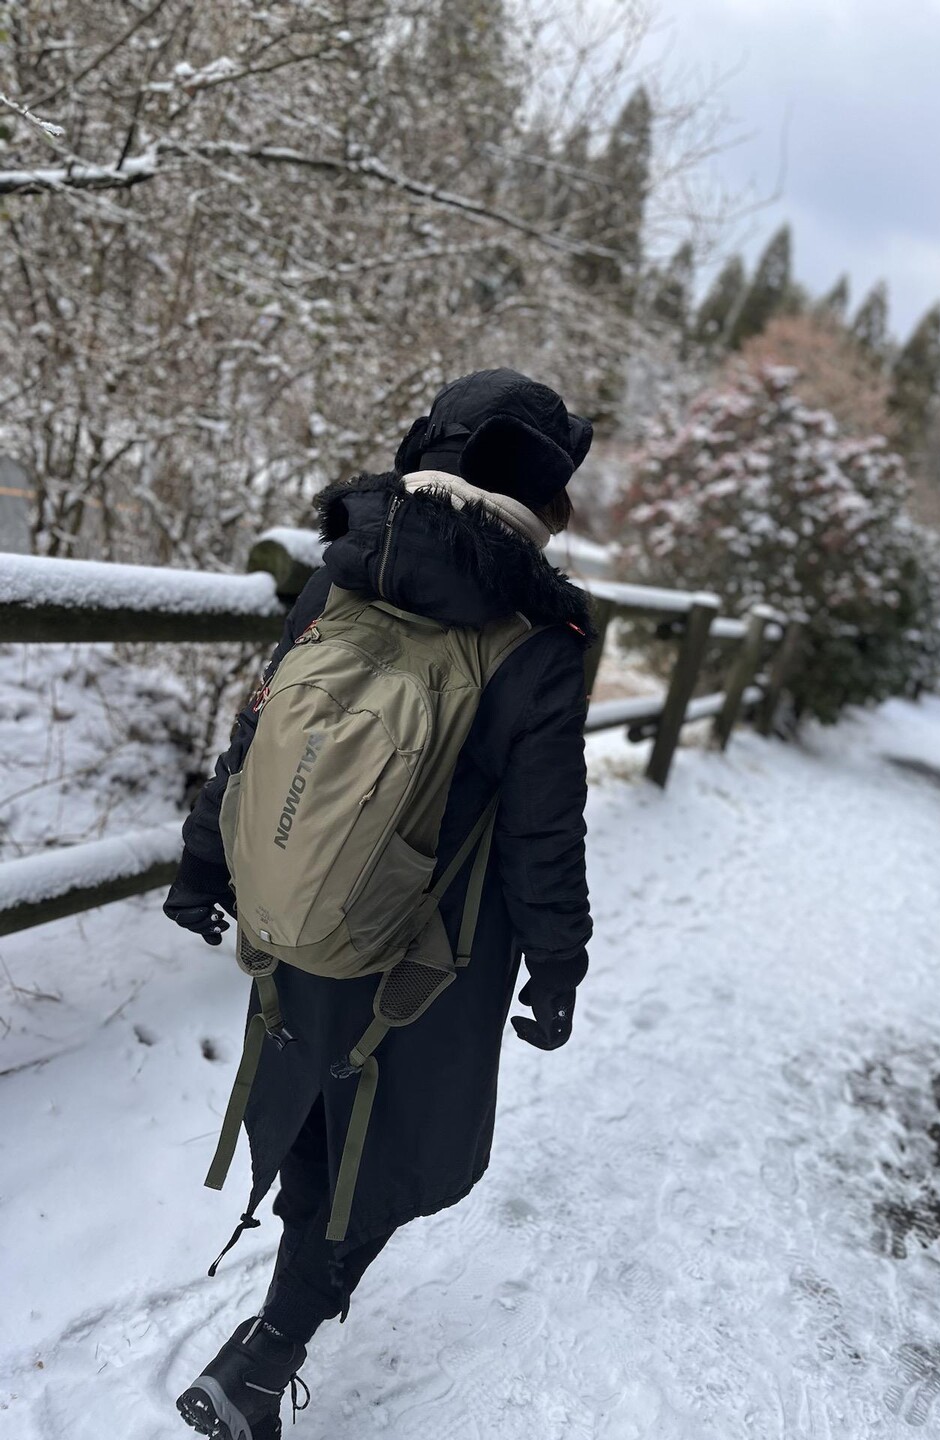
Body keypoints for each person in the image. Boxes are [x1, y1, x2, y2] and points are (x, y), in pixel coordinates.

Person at [163, 368, 595, 1440]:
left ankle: (268, 1339)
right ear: (538, 493)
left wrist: (204, 861)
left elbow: (255, 736)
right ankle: (261, 1366)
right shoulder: (536, 638)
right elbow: (545, 835)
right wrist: (558, 962)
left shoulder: (342, 575)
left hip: (301, 918)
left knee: (318, 1115)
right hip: (436, 957)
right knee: (390, 1150)